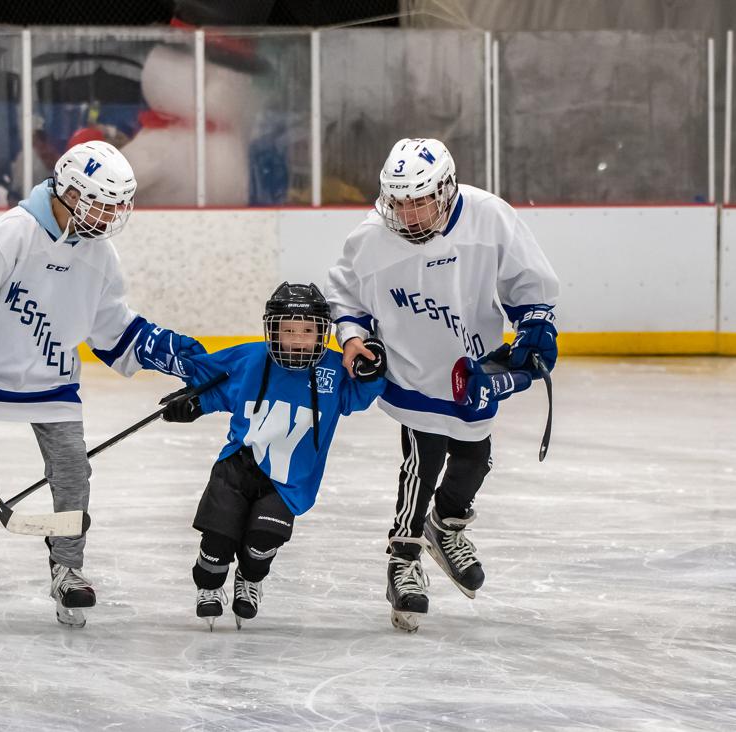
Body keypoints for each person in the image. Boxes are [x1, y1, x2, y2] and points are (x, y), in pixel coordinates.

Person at [0, 141, 206, 628]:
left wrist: (167, 350)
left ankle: (68, 568)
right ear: (68, 192)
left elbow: (112, 329)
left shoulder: (100, 254)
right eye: (101, 204)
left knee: (73, 474)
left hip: (53, 383)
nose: (111, 216)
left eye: (118, 206)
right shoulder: (10, 234)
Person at [325, 137, 560, 632]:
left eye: (420, 201)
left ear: (446, 190)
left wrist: (536, 322)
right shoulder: (370, 238)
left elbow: (526, 282)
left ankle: (446, 524)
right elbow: (344, 297)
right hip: (411, 369)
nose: (408, 215)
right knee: (422, 462)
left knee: (475, 459)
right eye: (399, 202)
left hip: (472, 368)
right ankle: (404, 555)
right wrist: (351, 338)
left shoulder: (489, 217)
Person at [162, 283, 387, 629]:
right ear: (273, 330)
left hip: (289, 480)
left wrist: (374, 375)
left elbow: (357, 396)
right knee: (217, 541)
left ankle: (250, 580)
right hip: (238, 465)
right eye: (288, 330)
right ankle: (208, 586)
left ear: (323, 333)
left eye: (308, 331)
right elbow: (218, 387)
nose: (298, 339)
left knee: (263, 541)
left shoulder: (334, 369)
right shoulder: (253, 358)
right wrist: (192, 403)